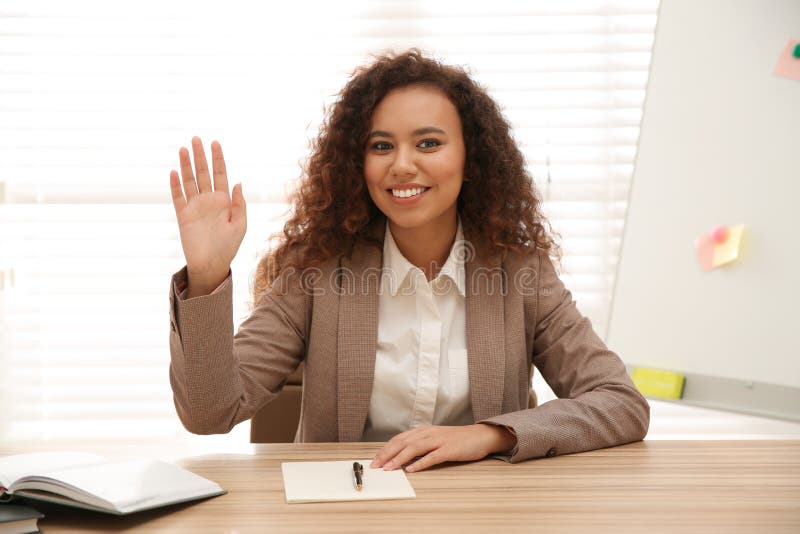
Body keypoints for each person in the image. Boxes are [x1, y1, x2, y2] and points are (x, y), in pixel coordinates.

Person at [167, 49, 649, 473]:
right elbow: (209, 413)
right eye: (381, 146)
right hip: (344, 512)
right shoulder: (317, 270)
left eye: (428, 143)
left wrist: (488, 435)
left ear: (470, 158)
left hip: (483, 511)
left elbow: (621, 403)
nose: (401, 165)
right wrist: (207, 276)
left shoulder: (519, 272)